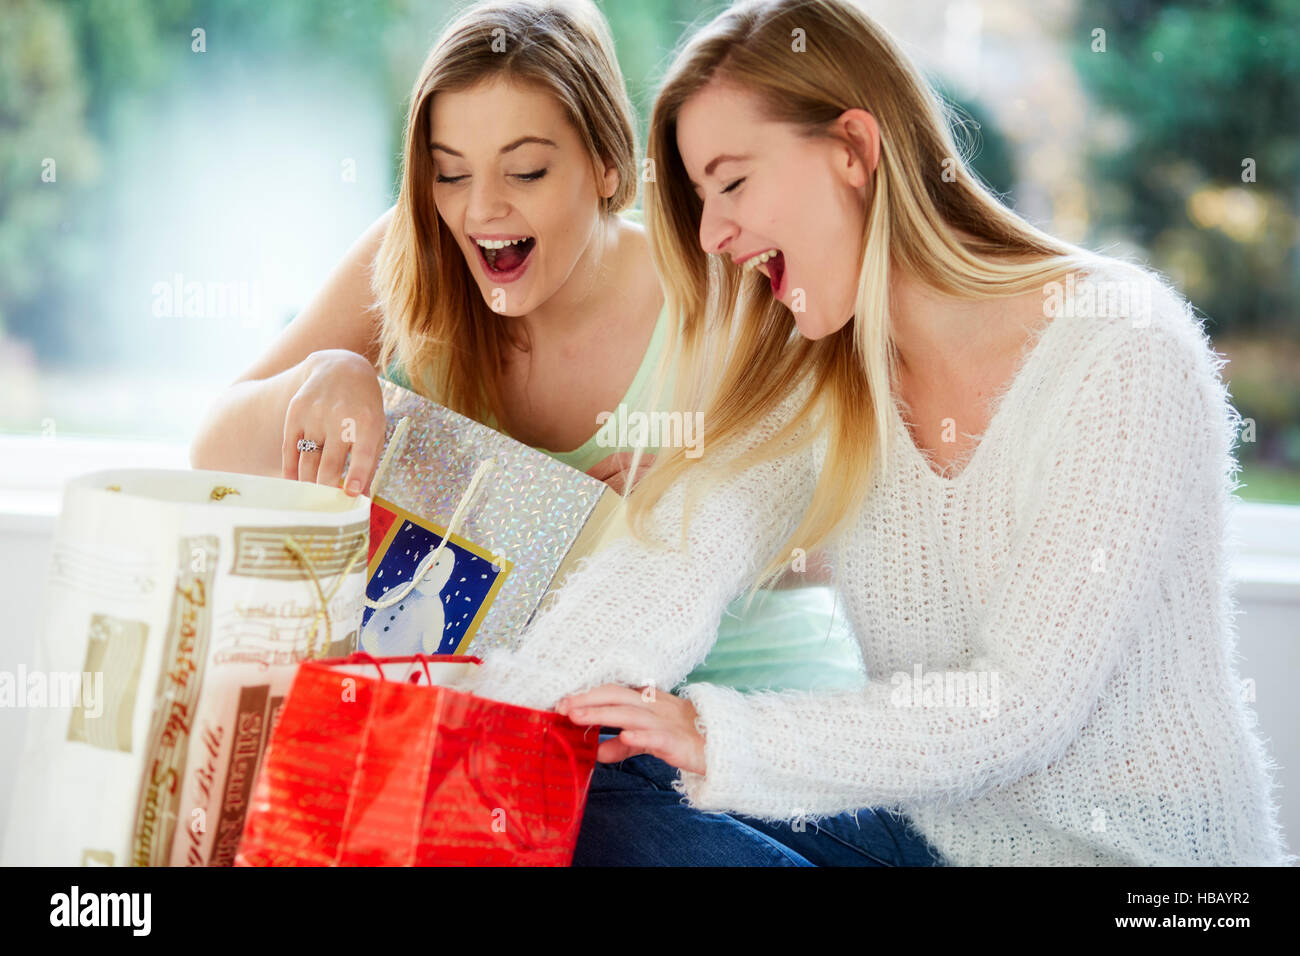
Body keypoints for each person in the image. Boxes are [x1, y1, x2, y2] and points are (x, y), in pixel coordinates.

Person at [455, 0, 1294, 866]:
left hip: (1141, 877)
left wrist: (714, 734)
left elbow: (1023, 708)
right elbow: (676, 551)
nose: (713, 233)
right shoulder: (828, 371)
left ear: (854, 149)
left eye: (733, 182)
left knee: (649, 760)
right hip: (927, 837)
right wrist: (484, 730)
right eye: (701, 198)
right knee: (588, 768)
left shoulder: (1125, 347)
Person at [188, 0, 864, 698]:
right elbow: (213, 451)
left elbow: (855, 537)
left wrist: (693, 515)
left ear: (606, 166)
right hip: (522, 719)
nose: (481, 210)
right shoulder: (410, 257)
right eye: (451, 174)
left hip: (730, 704)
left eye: (526, 173)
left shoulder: (713, 290)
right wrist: (330, 373)